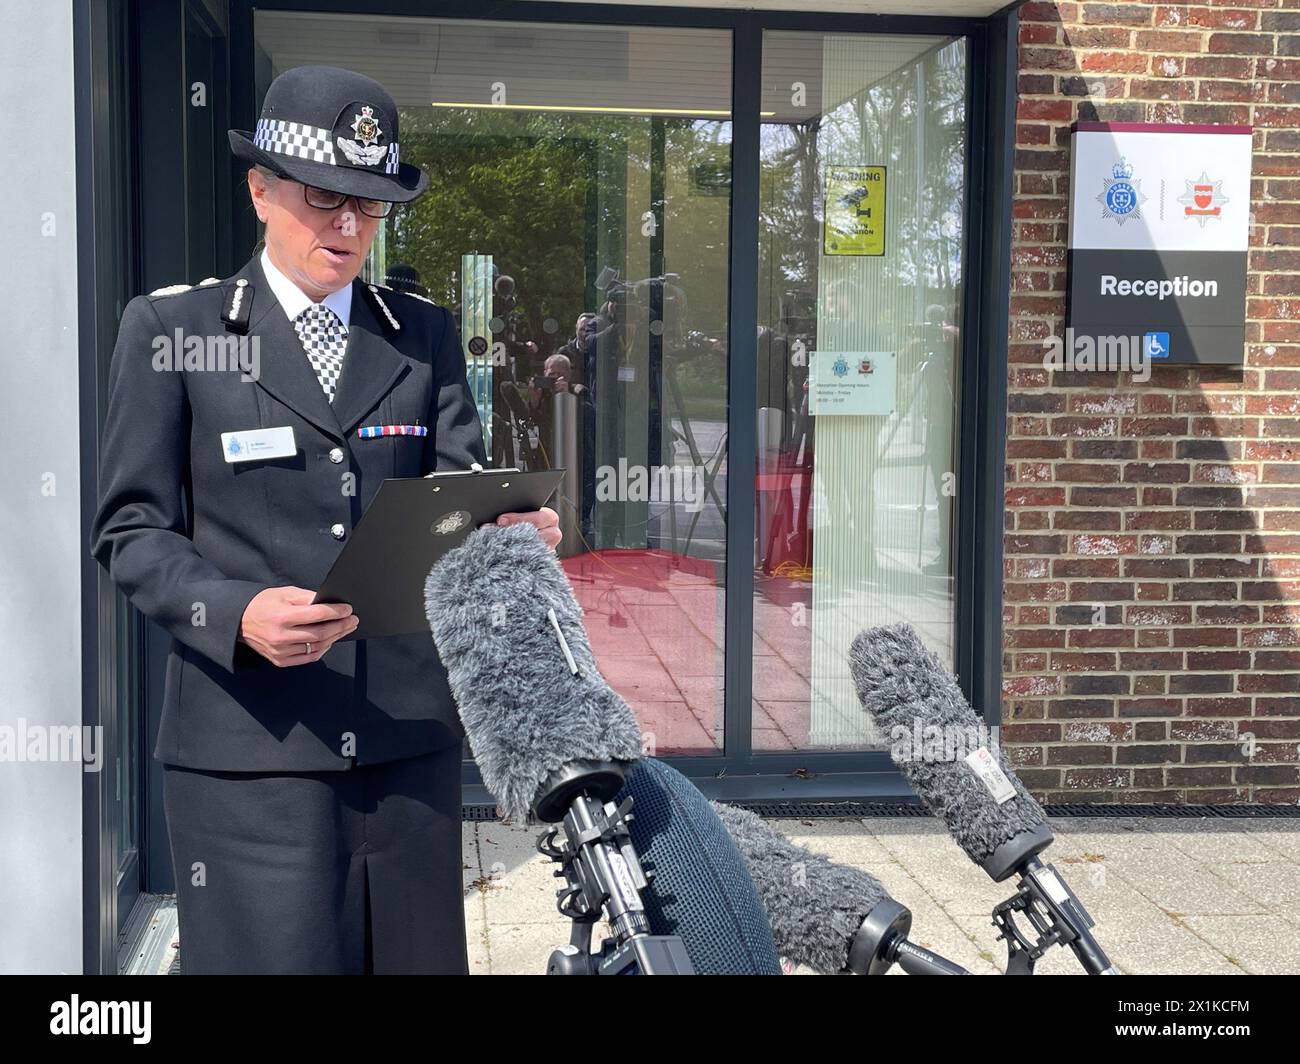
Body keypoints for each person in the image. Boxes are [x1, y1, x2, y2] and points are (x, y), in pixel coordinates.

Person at [89, 64, 560, 974]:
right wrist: (234, 612)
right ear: (261, 190)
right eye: (325, 198)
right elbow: (131, 530)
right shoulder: (172, 331)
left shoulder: (421, 334)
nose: (348, 227)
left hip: (403, 744)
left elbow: (455, 495)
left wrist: (507, 539)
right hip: (248, 757)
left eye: (371, 206)